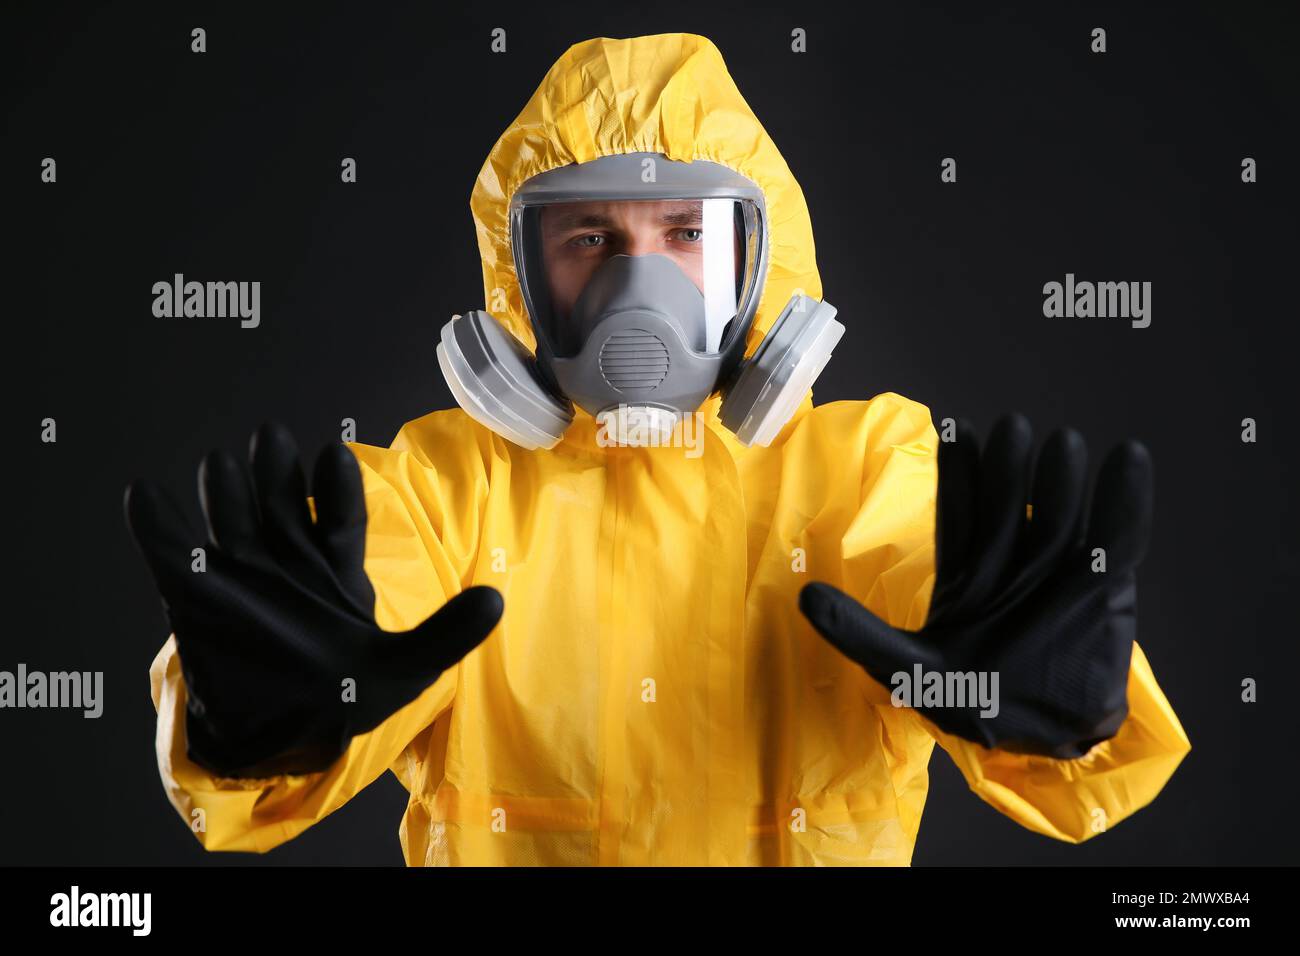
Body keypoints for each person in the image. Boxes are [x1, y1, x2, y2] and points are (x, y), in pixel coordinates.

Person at [127, 33, 1190, 866]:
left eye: (688, 233)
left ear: (762, 260)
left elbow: (935, 581)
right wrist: (247, 715)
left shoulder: (864, 472)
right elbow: (346, 599)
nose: (642, 289)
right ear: (518, 280)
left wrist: (1059, 708)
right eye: (589, 238)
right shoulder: (446, 489)